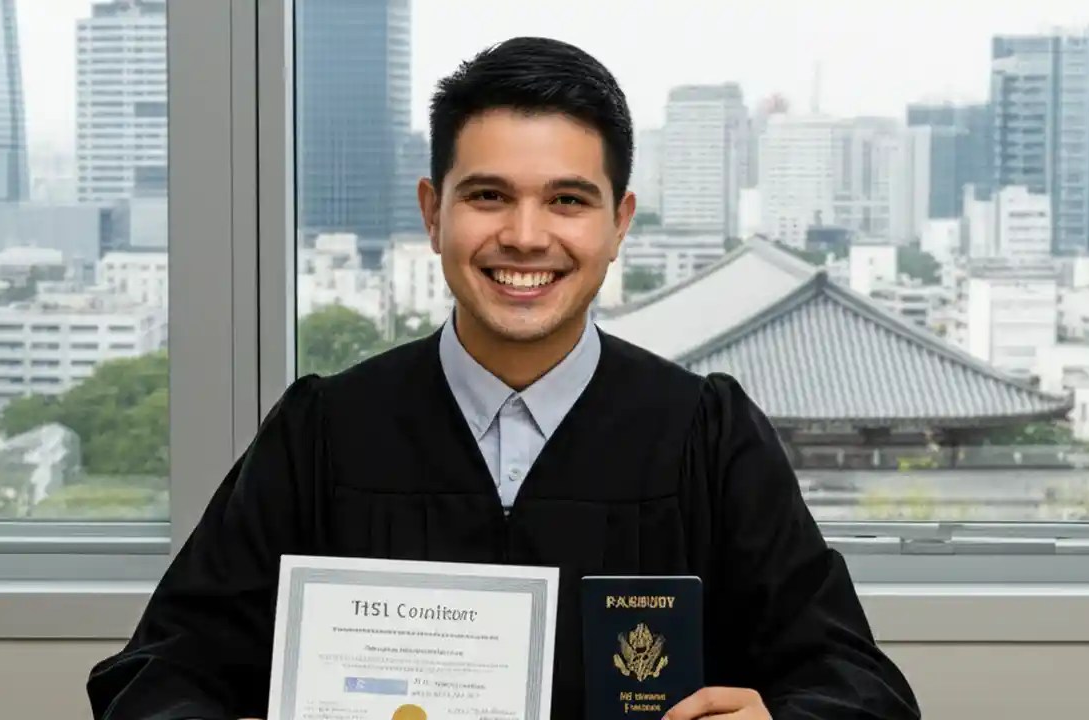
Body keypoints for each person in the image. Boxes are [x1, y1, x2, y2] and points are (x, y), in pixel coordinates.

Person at [87, 36, 921, 720]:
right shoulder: (326, 433)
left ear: (619, 221)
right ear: (431, 211)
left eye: (567, 201)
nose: (526, 237)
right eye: (488, 195)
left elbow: (860, 689)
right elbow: (158, 674)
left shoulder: (706, 435)